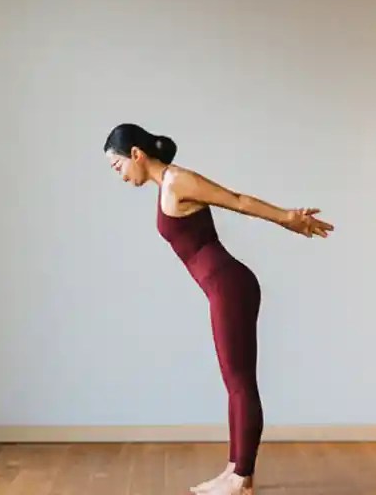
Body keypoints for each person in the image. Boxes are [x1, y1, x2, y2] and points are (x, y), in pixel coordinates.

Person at [103, 123, 333, 495]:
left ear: (136, 154)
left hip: (230, 288)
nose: (121, 176)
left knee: (240, 383)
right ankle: (233, 470)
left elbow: (237, 200)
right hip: (222, 289)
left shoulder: (179, 180)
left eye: (118, 167)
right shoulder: (166, 186)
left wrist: (288, 218)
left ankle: (242, 478)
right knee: (234, 383)